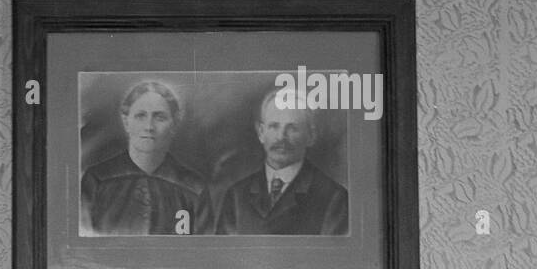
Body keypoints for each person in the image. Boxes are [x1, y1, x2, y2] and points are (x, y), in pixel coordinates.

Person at [81, 79, 214, 236]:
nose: (149, 127)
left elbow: (204, 251)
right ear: (126, 121)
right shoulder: (96, 180)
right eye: (140, 116)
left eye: (160, 117)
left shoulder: (194, 187)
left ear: (174, 123)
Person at [216, 90, 349, 235]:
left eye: (292, 128)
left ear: (311, 135)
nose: (281, 137)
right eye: (274, 126)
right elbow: (223, 255)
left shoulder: (334, 198)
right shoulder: (236, 196)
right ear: (261, 133)